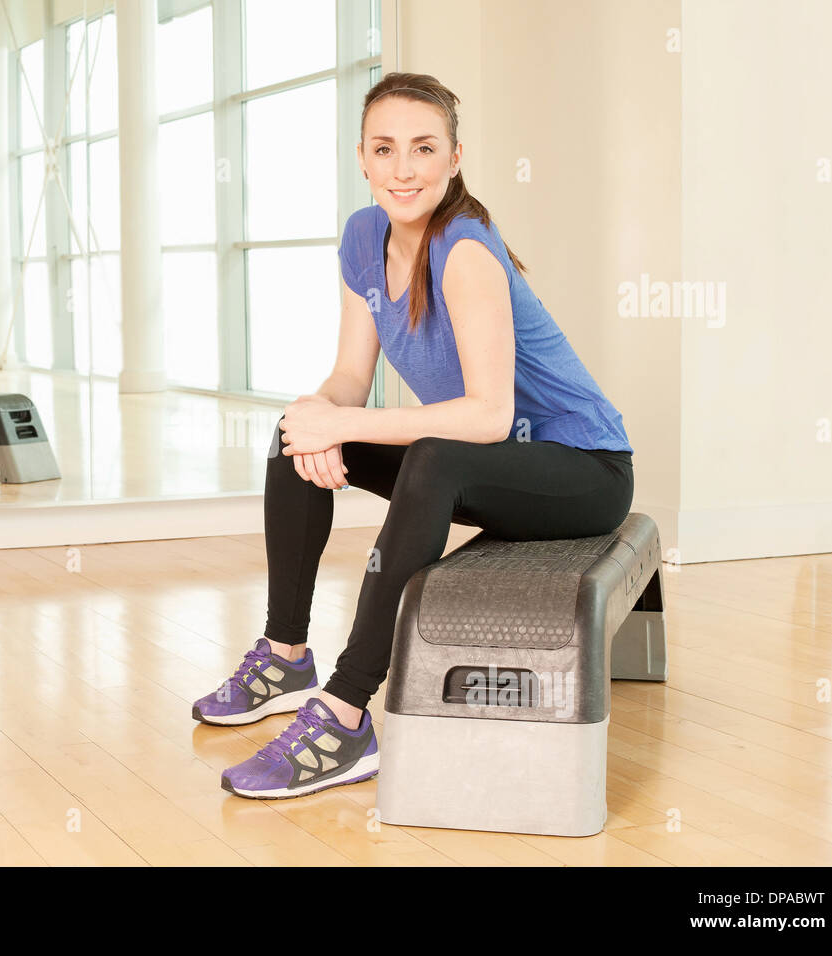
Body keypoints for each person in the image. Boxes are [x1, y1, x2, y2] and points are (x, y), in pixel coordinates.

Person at [193, 73, 635, 800]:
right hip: (489, 467)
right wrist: (316, 418)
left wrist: (344, 423)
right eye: (386, 149)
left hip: (584, 472)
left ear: (455, 158)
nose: (404, 169)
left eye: (424, 149)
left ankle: (343, 714)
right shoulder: (365, 237)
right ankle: (284, 654)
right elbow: (349, 377)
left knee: (432, 457)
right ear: (361, 159)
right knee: (290, 435)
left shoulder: (464, 250)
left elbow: (489, 415)